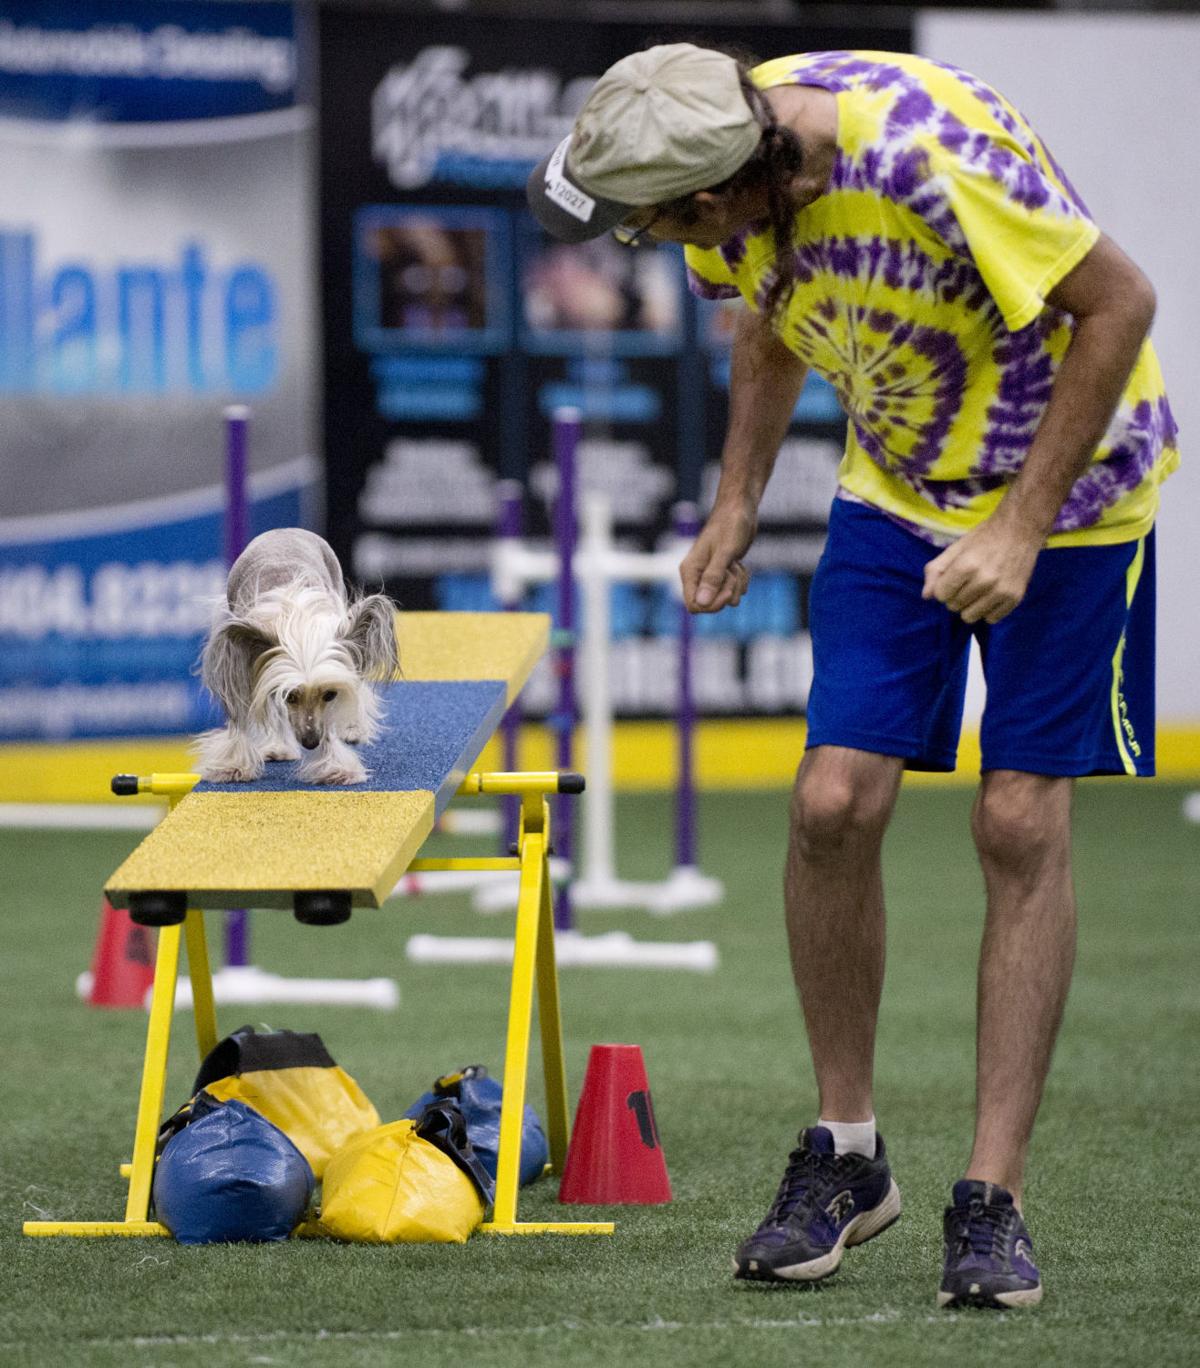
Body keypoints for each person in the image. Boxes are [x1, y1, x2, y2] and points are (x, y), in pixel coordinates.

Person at [528, 43, 1178, 1310]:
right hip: (896, 489)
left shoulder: (931, 161)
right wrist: (735, 499)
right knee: (831, 803)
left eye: (653, 226)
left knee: (1017, 819)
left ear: (717, 194)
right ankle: (848, 1158)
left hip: (1076, 500)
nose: (647, 243)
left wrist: (1019, 530)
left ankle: (993, 1202)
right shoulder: (731, 150)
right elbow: (768, 311)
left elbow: (1123, 304)